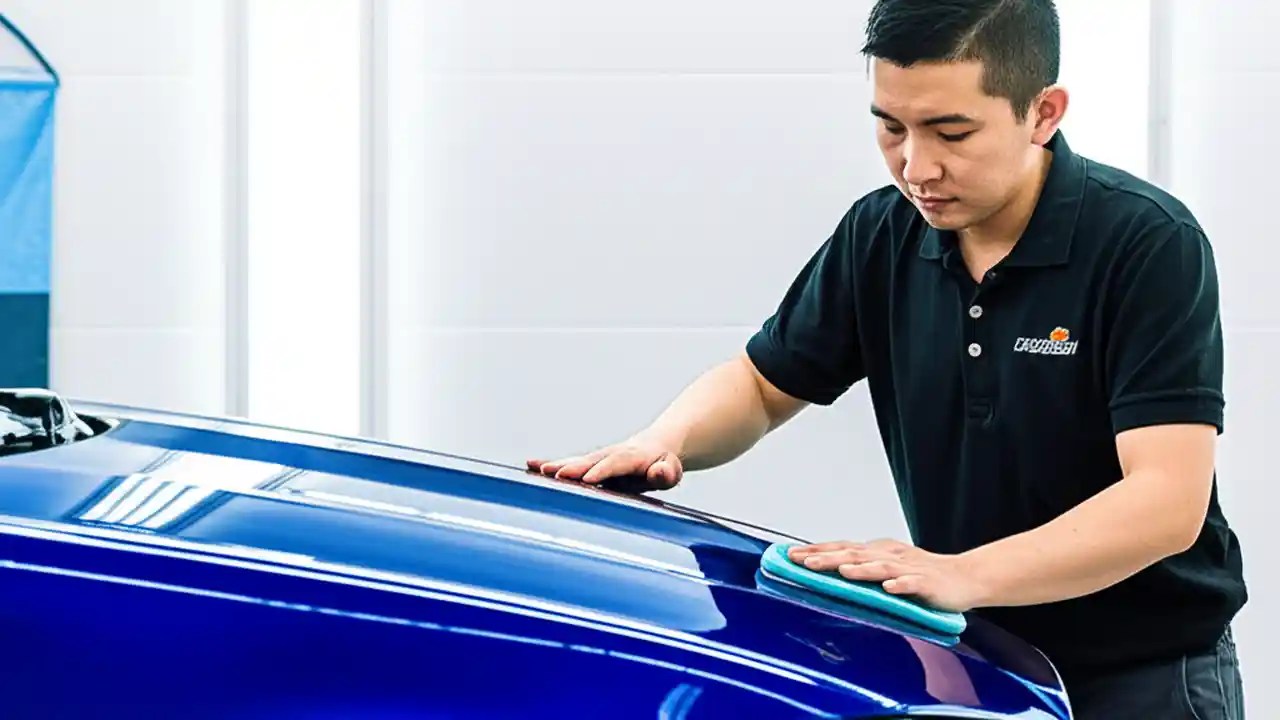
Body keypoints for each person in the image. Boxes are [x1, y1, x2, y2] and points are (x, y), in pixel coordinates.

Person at [526, 0, 1247, 717]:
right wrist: (662, 441)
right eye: (890, 127)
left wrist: (962, 574)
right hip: (980, 654)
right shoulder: (882, 233)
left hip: (1149, 672)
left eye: (951, 132)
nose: (916, 165)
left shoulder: (1147, 244)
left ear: (1043, 113)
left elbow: (1164, 503)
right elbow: (761, 384)